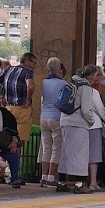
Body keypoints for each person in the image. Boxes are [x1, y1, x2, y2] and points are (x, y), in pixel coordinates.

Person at [58, 65, 104, 192]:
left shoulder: (71, 83)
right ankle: (80, 184)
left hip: (65, 121)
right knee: (80, 154)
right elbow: (86, 110)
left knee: (65, 153)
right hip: (78, 123)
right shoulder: (86, 88)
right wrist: (91, 121)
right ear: (91, 76)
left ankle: (61, 182)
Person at [37, 57, 68, 187]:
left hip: (44, 117)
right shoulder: (64, 84)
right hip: (57, 117)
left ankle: (43, 177)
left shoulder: (44, 82)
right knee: (56, 148)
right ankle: (51, 177)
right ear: (59, 69)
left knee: (46, 148)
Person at [3, 52, 36, 161]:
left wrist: (0, 96)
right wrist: (28, 99)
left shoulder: (9, 69)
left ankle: (0, 173)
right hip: (22, 108)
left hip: (8, 108)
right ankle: (15, 171)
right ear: (27, 62)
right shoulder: (28, 72)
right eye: (34, 63)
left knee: (6, 140)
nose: (35, 66)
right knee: (18, 142)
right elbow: (30, 86)